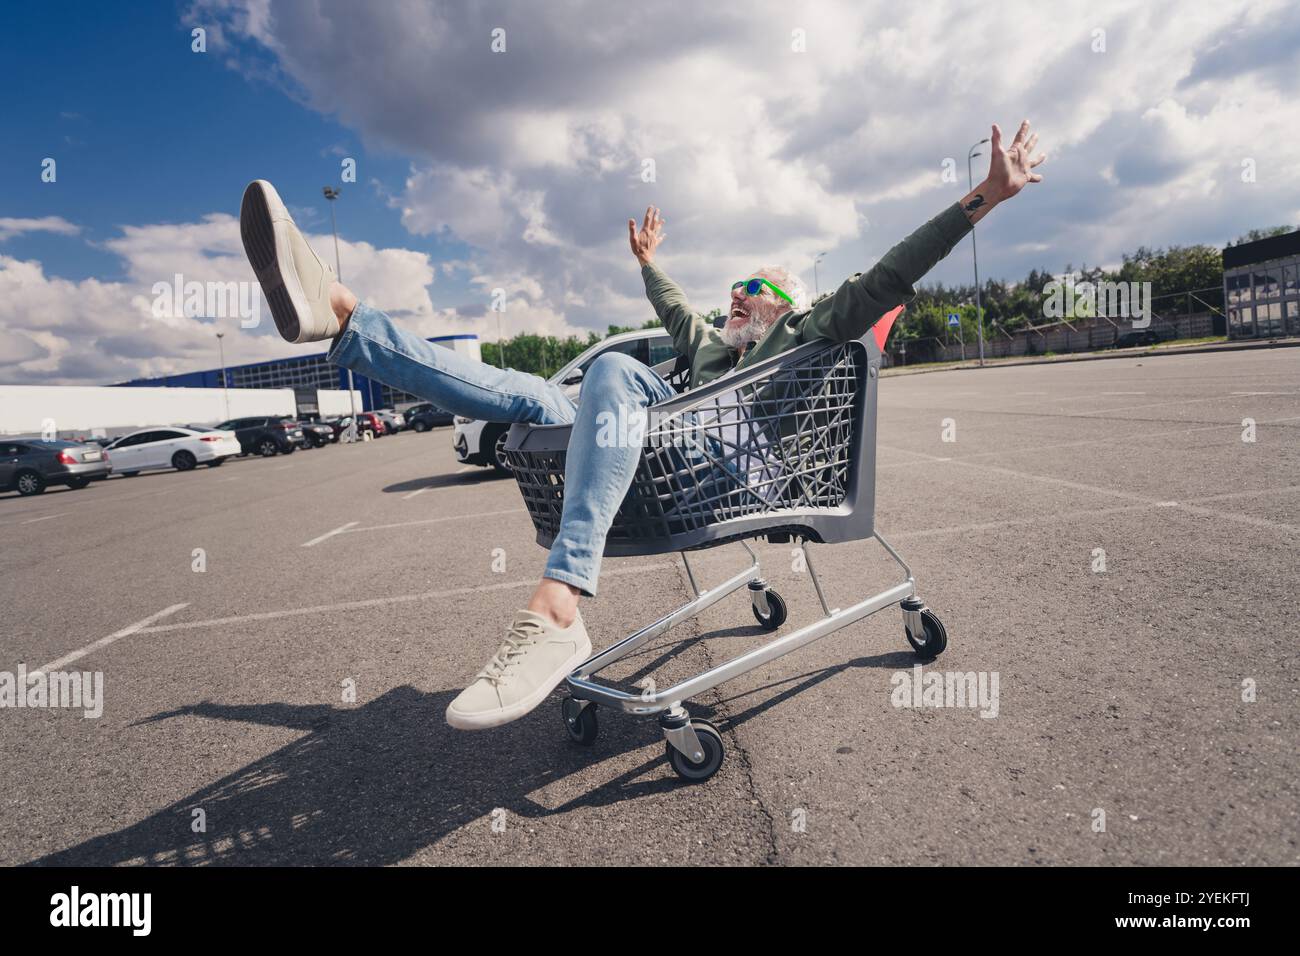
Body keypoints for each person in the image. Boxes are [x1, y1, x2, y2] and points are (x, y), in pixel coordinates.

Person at [238, 120, 1045, 731]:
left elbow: (891, 272)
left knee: (614, 373)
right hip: (665, 465)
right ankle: (344, 320)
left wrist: (985, 196)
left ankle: (557, 609)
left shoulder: (813, 331)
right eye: (730, 286)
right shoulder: (709, 345)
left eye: (752, 286)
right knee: (534, 394)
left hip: (737, 472)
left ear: (786, 302)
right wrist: (649, 262)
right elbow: (673, 308)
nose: (735, 294)